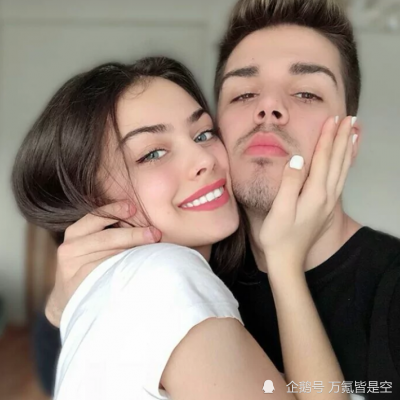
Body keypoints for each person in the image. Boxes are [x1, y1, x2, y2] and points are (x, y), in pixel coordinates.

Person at [26, 0, 400, 398]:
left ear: (349, 141)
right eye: (244, 94)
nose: (268, 107)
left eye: (306, 93)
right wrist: (63, 307)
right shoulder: (186, 267)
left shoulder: (390, 287)